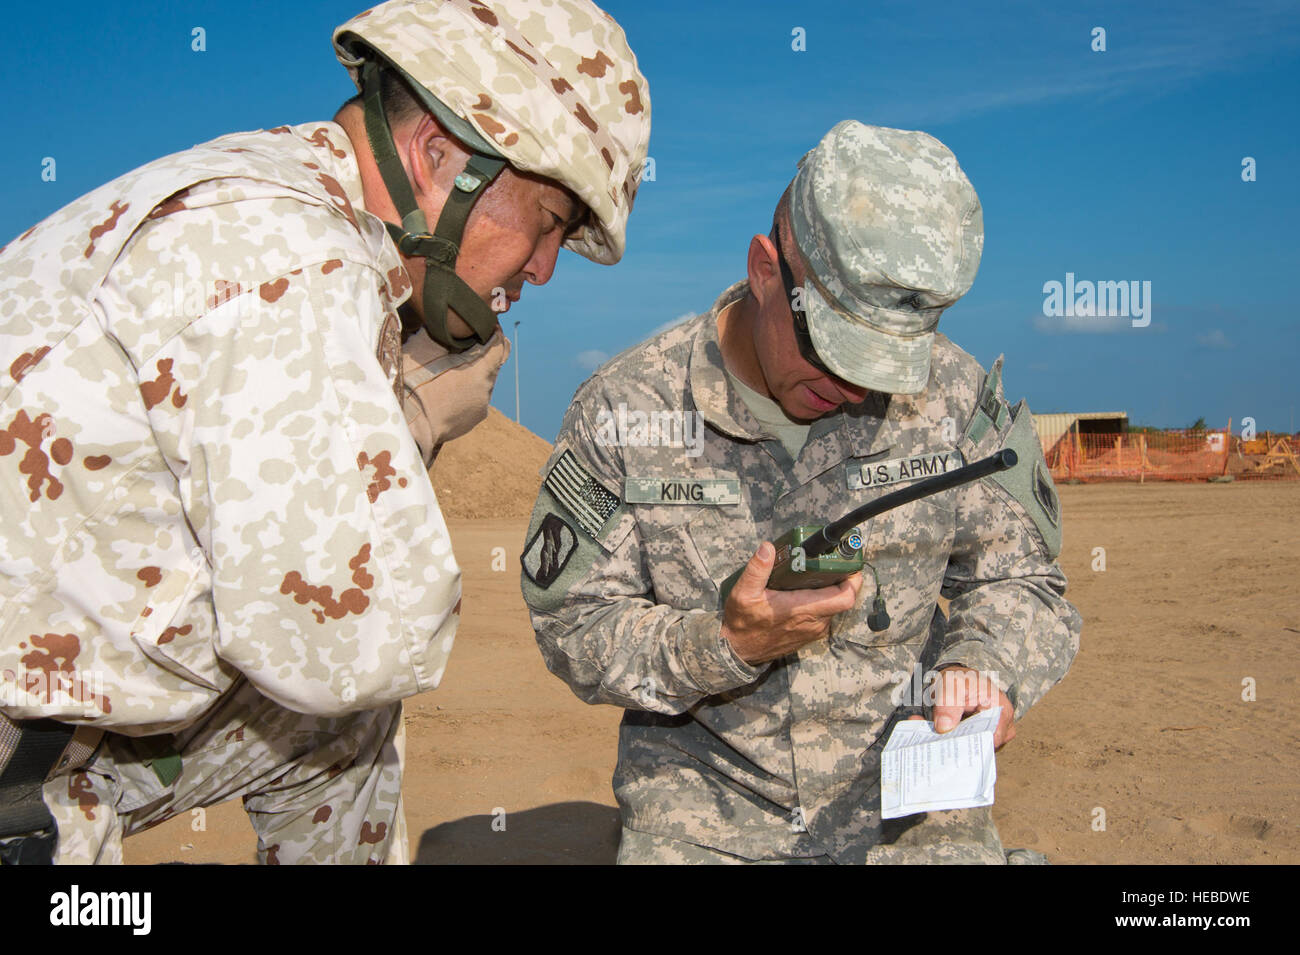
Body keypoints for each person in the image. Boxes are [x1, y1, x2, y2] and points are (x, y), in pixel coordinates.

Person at [0, 0, 649, 865]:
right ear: (441, 157)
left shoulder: (261, 191)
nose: (542, 268)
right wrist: (412, 420)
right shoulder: (298, 257)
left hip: (59, 724)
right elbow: (351, 643)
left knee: (341, 737)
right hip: (30, 766)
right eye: (548, 224)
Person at [521, 120, 1081, 864]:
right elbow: (573, 626)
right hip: (704, 814)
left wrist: (979, 666)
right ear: (764, 269)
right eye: (834, 346)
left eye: (888, 363)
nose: (854, 386)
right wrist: (721, 644)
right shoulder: (624, 409)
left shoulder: (955, 398)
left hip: (909, 808)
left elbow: (1023, 577)